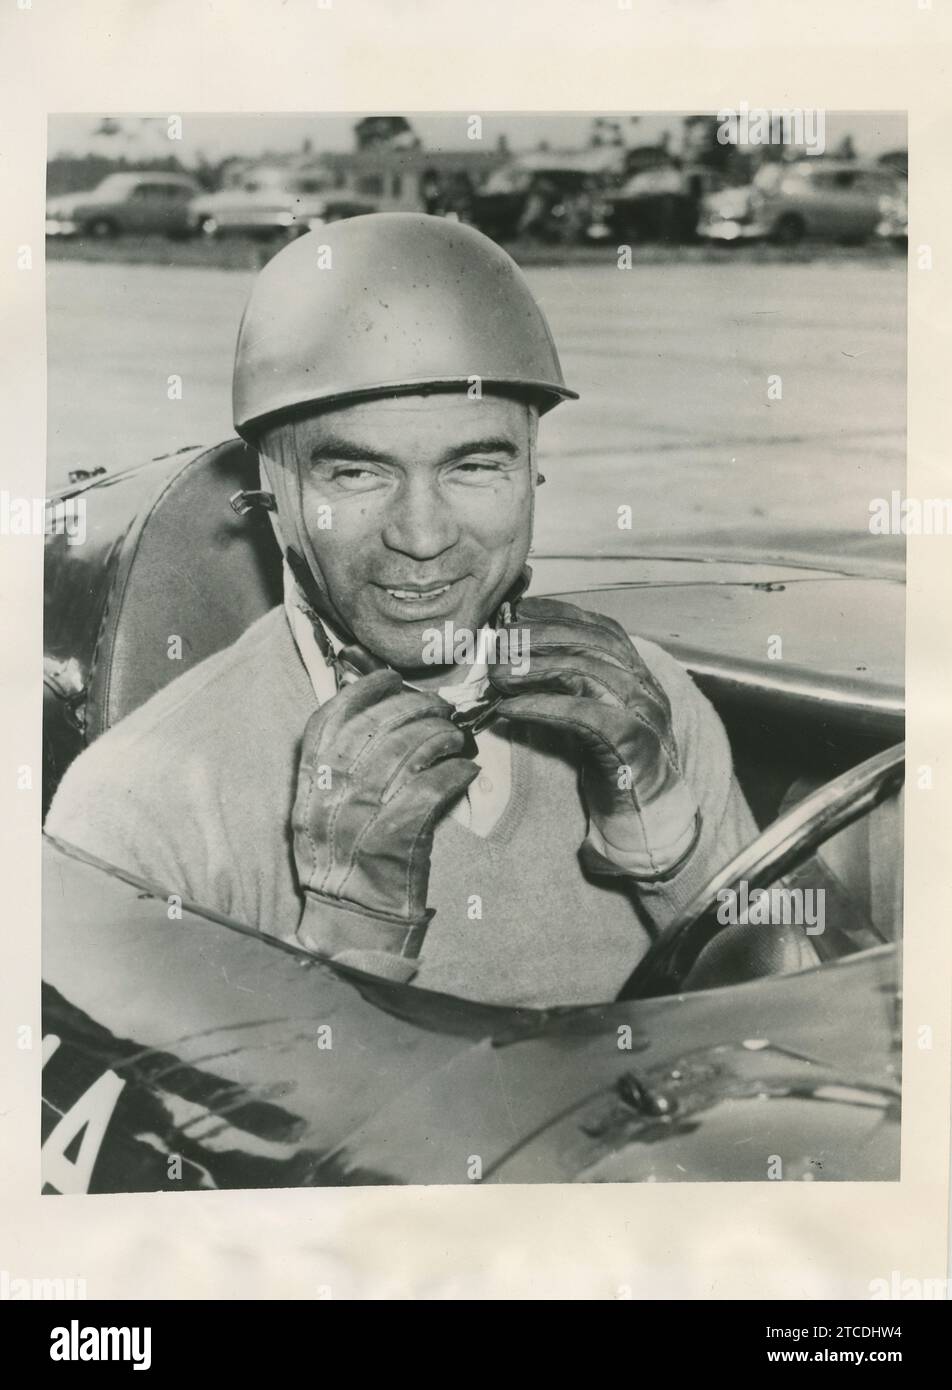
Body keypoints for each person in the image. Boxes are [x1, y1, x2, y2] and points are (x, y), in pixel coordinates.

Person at [45, 213, 757, 1007]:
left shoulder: (646, 703)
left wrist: (669, 846)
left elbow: (798, 1030)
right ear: (271, 500)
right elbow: (183, 1127)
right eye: (356, 475)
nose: (423, 537)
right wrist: (346, 947)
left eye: (476, 466)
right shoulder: (143, 808)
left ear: (532, 478)